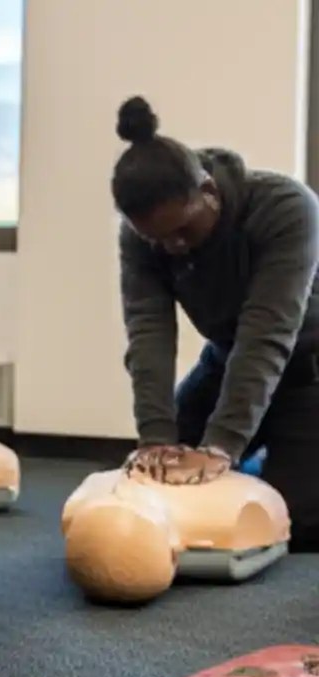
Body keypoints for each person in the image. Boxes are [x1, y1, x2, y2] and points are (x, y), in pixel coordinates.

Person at [111, 96, 319, 550]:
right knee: (154, 480)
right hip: (226, 360)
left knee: (293, 521)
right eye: (159, 239)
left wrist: (222, 445)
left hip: (307, 366)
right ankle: (246, 459)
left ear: (208, 190)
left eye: (184, 231)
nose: (175, 247)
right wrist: (156, 438)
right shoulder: (143, 236)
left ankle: (254, 463)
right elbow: (148, 333)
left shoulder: (286, 207)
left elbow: (268, 334)